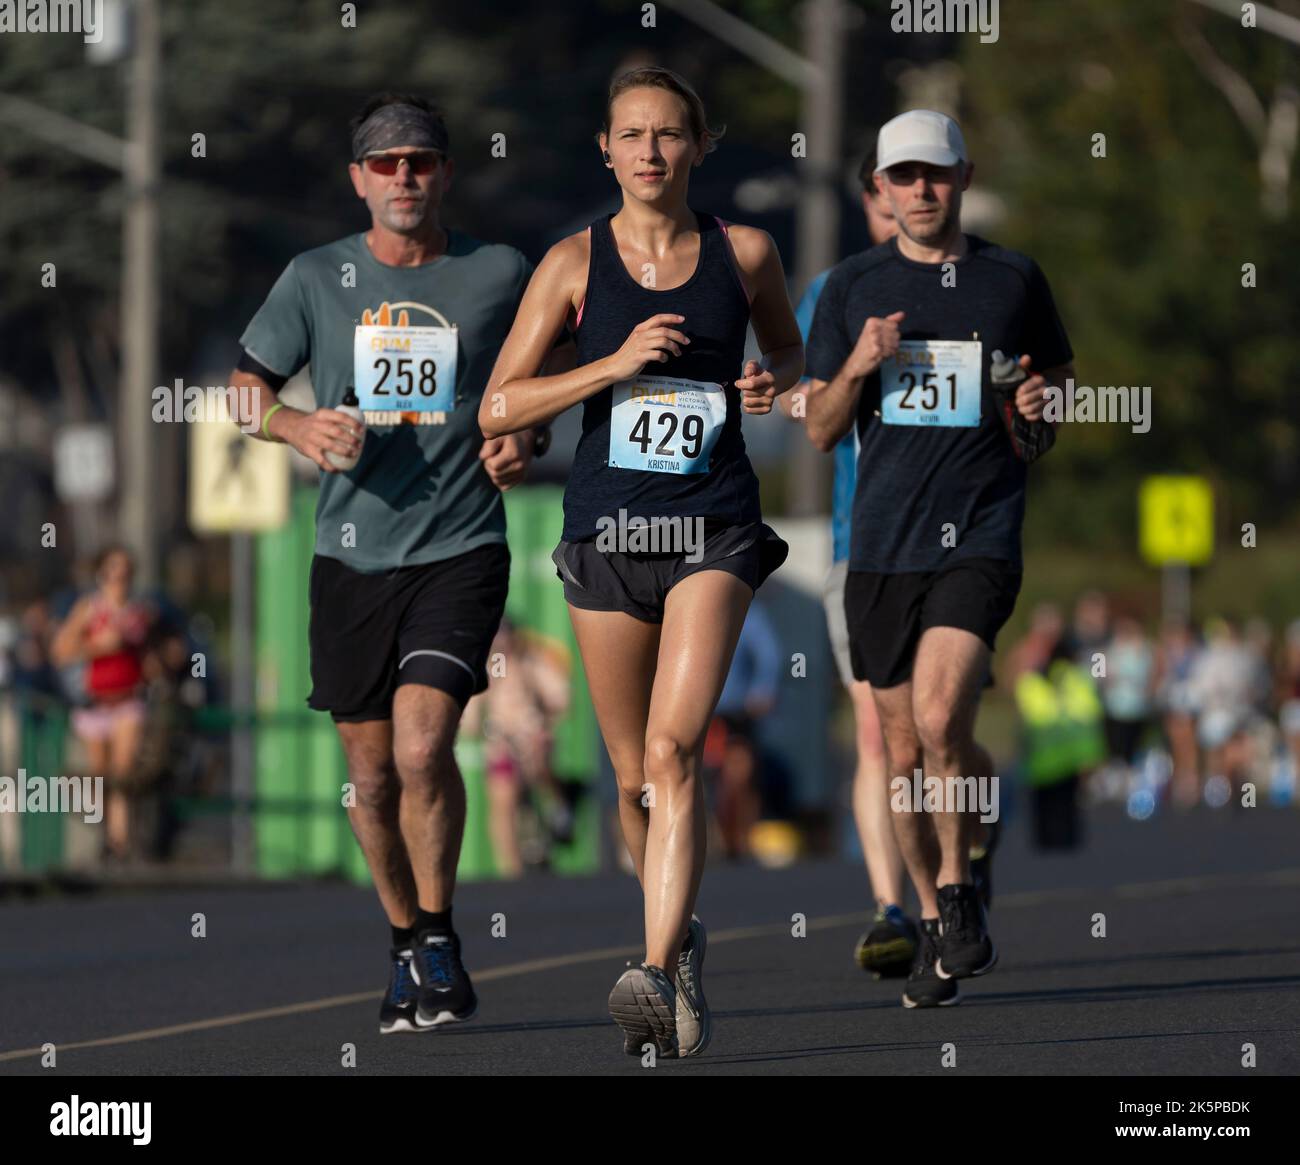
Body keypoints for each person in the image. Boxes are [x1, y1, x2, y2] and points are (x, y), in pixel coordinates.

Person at [481, 66, 802, 1057]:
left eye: (670, 134)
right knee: (629, 781)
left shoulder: (743, 251)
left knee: (672, 754)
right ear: (607, 151)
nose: (652, 151)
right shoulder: (573, 264)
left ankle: (654, 971)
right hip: (608, 536)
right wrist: (612, 364)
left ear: (698, 147)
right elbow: (499, 404)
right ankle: (677, 942)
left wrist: (766, 382)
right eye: (633, 134)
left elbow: (789, 359)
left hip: (712, 528)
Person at [229, 92, 548, 1035]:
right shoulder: (314, 278)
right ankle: (405, 936)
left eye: (420, 161)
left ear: (446, 173)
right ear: (358, 180)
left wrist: (528, 432)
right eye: (384, 163)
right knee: (370, 779)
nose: (403, 177)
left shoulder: (498, 273)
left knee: (420, 749)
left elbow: (553, 367)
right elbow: (243, 390)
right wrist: (294, 423)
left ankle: (442, 934)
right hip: (349, 557)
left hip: (461, 547)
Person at [803, 110, 1075, 1008]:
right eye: (903, 177)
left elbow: (1051, 397)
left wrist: (1038, 405)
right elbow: (819, 427)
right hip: (880, 547)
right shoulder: (851, 287)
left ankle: (958, 885)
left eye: (936, 174)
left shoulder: (1010, 279)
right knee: (901, 747)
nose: (920, 191)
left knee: (941, 708)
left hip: (980, 535)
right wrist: (858, 363)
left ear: (963, 176)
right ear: (879, 188)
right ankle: (927, 914)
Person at [781, 149, 917, 977]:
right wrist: (811, 391)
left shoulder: (973, 284)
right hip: (857, 541)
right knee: (876, 731)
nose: (899, 207)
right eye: (882, 195)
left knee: (939, 738)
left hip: (954, 541)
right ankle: (892, 904)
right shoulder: (832, 293)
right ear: (870, 203)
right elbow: (796, 391)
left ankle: (955, 864)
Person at [51, 546, 156, 863]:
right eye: (112, 571)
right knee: (98, 776)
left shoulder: (140, 612)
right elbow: (61, 650)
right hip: (96, 702)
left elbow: (153, 656)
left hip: (128, 701)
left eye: (124, 572)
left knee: (121, 773)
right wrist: (98, 646)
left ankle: (118, 842)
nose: (118, 580)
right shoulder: (88, 609)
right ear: (101, 574)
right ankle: (103, 835)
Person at [706, 598, 781, 860]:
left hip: (735, 712)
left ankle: (741, 839)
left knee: (740, 773)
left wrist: (763, 691)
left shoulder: (747, 610)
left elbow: (769, 655)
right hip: (699, 711)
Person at [1098, 615, 1156, 771]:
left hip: (1137, 708)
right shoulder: (1109, 649)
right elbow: (1098, 675)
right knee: (1116, 748)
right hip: (1114, 708)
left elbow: (1153, 675)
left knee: (1134, 747)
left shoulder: (1146, 649)